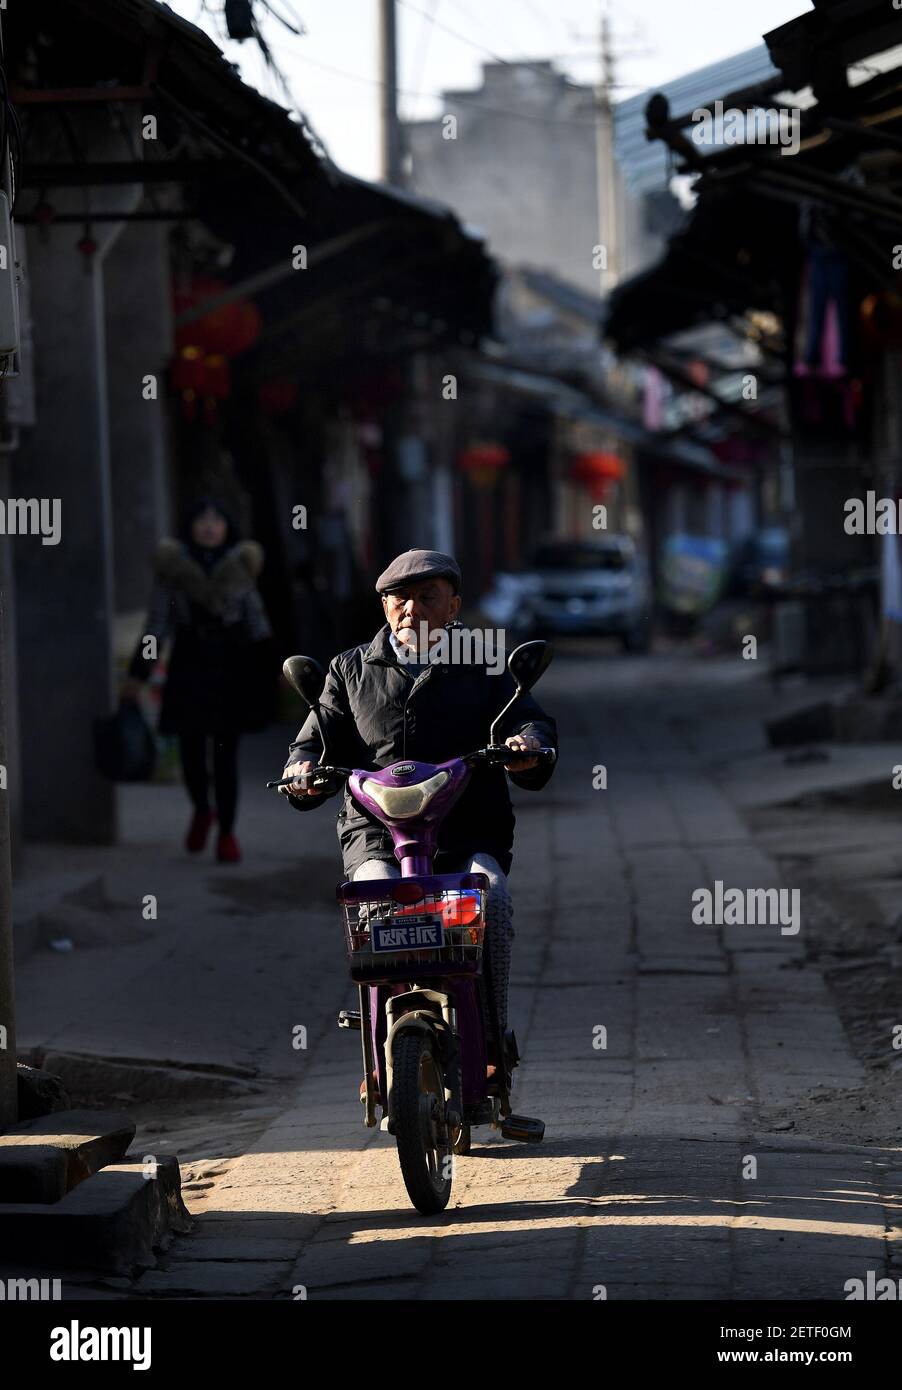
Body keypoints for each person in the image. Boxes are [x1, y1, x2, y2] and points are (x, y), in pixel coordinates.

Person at [277, 547, 557, 1085]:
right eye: (398, 599)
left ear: (453, 606)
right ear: (384, 607)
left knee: (491, 900)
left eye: (427, 598)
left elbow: (531, 722)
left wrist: (528, 743)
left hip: (467, 827)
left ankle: (492, 1039)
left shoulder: (486, 662)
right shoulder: (348, 669)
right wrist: (302, 768)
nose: (411, 610)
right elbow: (312, 742)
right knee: (374, 906)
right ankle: (380, 1054)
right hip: (378, 833)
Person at [123, 498, 274, 863]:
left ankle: (226, 833)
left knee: (226, 756)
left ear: (227, 527)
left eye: (216, 519)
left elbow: (258, 627)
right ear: (189, 526)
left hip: (230, 670)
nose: (209, 526)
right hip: (189, 666)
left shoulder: (241, 569)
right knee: (191, 751)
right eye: (202, 518)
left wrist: (274, 673)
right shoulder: (173, 570)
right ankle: (202, 809)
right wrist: (138, 675)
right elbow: (156, 627)